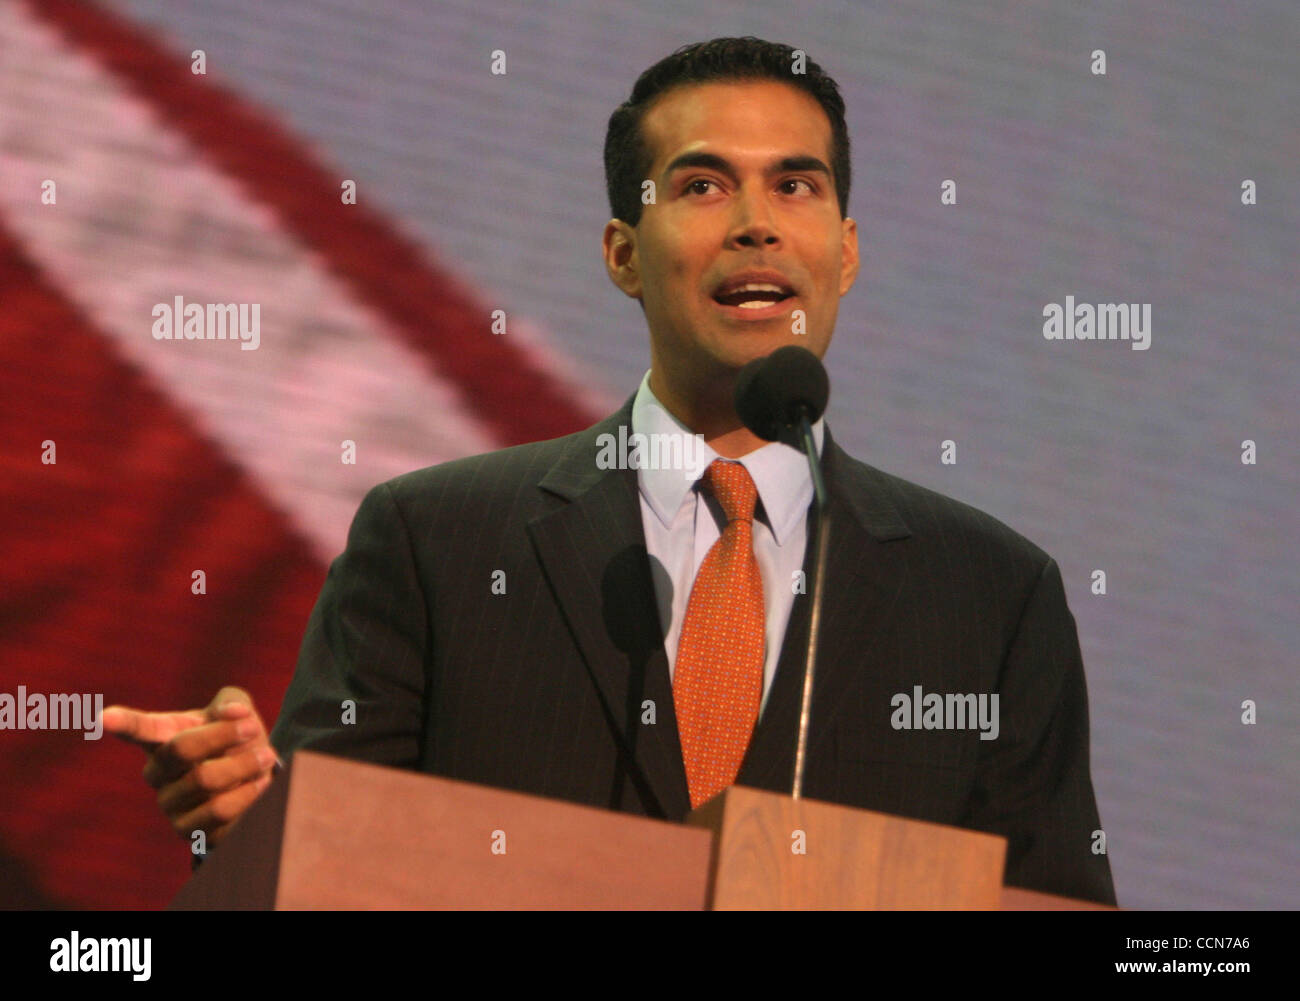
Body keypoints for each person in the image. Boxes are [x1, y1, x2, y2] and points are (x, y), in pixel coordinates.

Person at [104, 37, 1116, 905]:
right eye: (703, 184)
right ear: (624, 253)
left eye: (794, 184)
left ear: (843, 251)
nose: (755, 221)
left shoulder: (988, 592)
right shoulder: (435, 540)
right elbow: (319, 864)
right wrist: (246, 822)